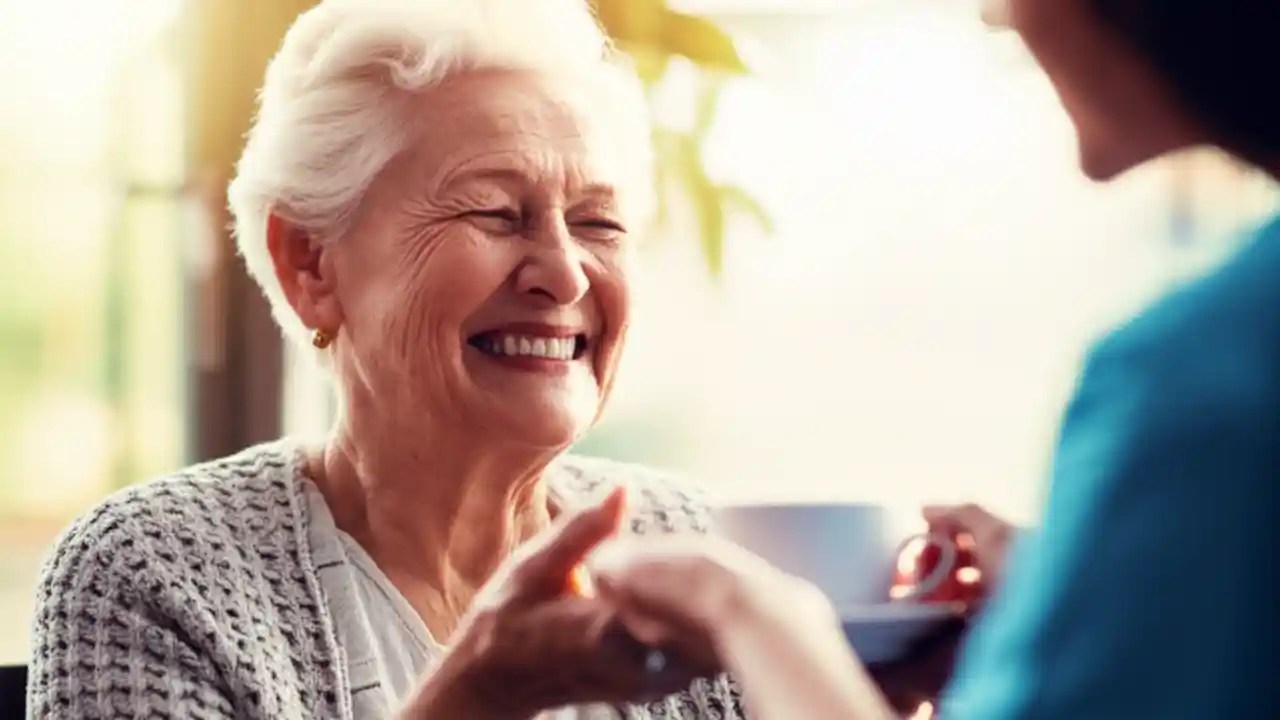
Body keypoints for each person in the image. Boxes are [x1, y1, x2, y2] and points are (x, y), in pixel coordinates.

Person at [24, 1, 741, 717]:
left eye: (597, 223)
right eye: (492, 211)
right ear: (311, 264)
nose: (566, 273)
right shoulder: (156, 571)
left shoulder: (707, 548)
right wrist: (477, 699)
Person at [575, 0, 1280, 717]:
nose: (993, 15)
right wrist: (1073, 608)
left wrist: (743, 610)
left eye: (596, 222)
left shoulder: (1200, 376)